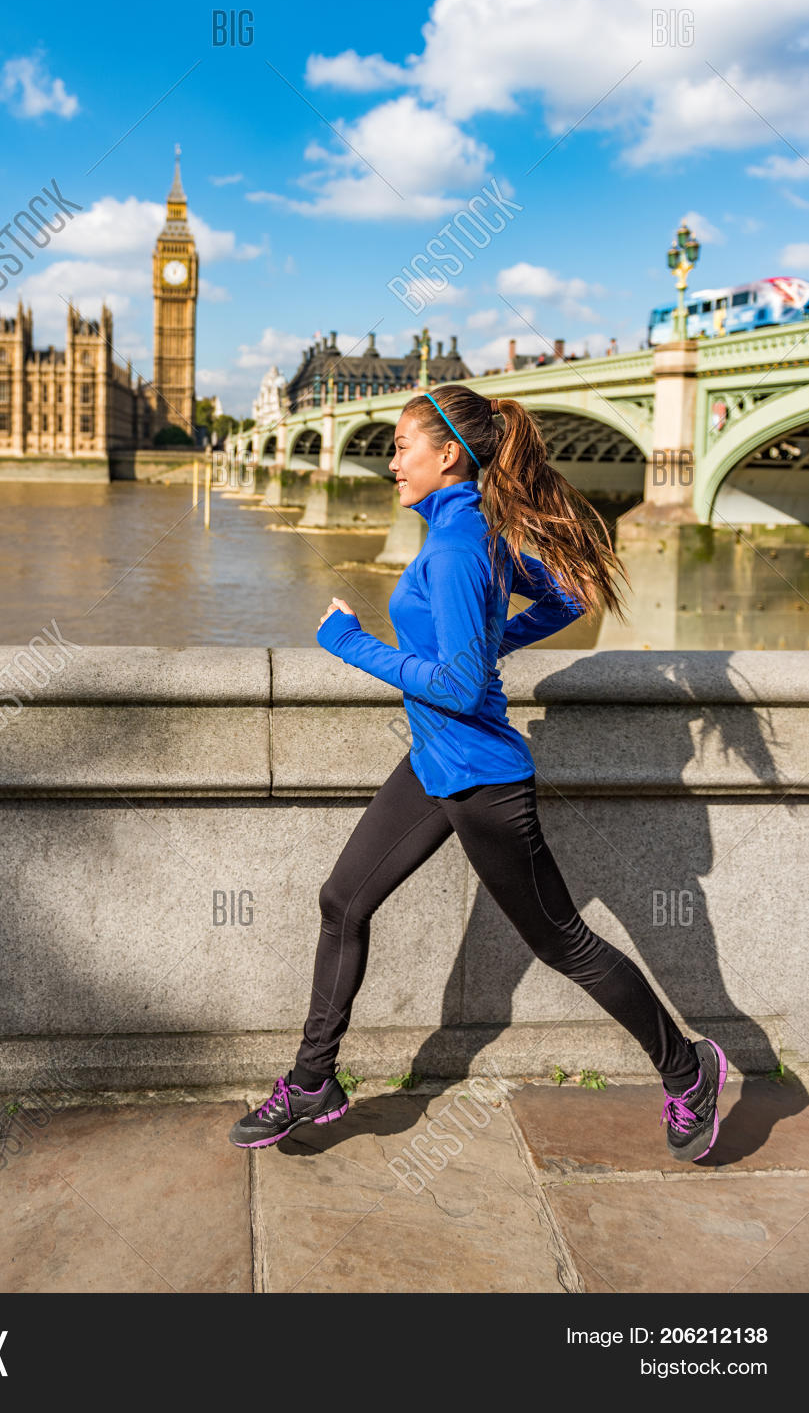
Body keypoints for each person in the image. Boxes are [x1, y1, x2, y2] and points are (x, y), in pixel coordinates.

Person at [229, 386, 727, 1163]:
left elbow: (459, 687)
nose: (391, 461)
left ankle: (688, 1068)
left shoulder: (459, 547)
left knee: (565, 944)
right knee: (342, 902)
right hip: (432, 762)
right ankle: (313, 1079)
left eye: (400, 446)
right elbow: (566, 597)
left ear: (447, 455)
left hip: (482, 781)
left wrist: (347, 642)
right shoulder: (463, 532)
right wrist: (489, 641)